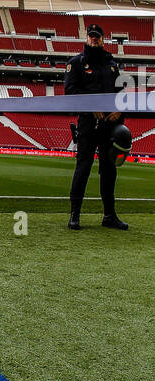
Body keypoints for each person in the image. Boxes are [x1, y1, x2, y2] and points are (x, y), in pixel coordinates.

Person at [64, 24, 128, 230]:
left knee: (109, 170)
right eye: (91, 36)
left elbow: (121, 93)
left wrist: (119, 111)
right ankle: (74, 215)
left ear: (102, 39)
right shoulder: (76, 63)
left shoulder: (112, 64)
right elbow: (70, 92)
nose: (93, 39)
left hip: (111, 125)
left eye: (97, 37)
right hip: (88, 124)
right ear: (86, 38)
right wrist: (92, 108)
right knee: (83, 167)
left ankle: (109, 216)